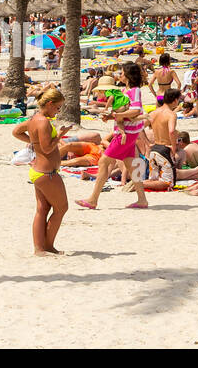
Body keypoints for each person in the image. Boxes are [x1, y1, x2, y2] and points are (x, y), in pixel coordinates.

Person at [77, 63, 148, 211]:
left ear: (128, 75)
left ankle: (93, 199)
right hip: (128, 132)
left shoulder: (134, 91)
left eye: (122, 73)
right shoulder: (124, 90)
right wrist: (110, 117)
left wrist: (117, 115)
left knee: (104, 161)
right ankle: (142, 199)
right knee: (130, 164)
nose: (119, 75)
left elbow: (135, 110)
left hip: (127, 133)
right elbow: (123, 113)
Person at [12, 84, 68, 255]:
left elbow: (16, 131)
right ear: (50, 103)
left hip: (39, 171)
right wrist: (59, 135)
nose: (57, 112)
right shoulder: (43, 122)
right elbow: (47, 148)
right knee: (61, 208)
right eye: (57, 108)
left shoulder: (33, 119)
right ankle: (48, 246)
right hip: (47, 173)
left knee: (42, 209)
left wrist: (32, 141)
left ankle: (39, 248)